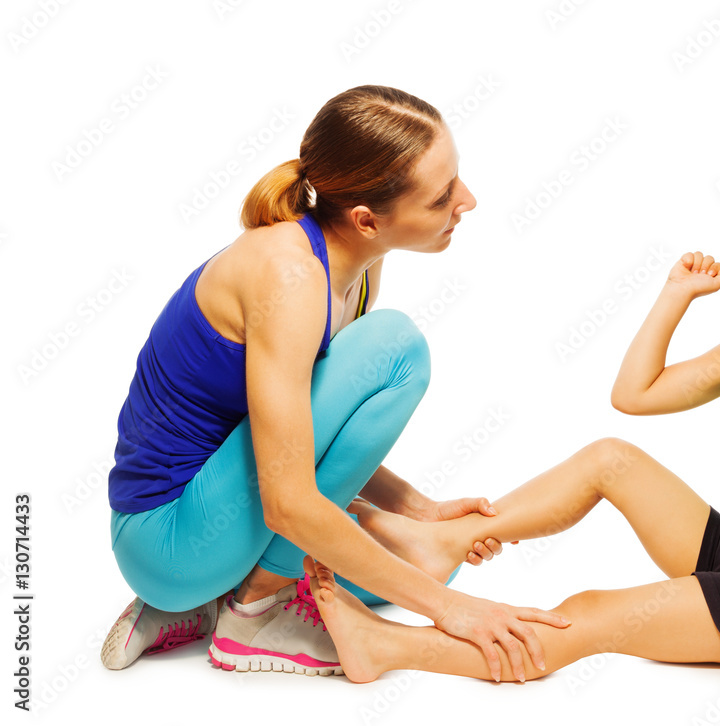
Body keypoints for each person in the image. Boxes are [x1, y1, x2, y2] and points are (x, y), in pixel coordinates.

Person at [305, 48, 720, 682]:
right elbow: (635, 394)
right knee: (608, 458)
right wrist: (673, 297)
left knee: (588, 615)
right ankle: (443, 543)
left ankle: (388, 649)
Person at [100, 85, 569, 680]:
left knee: (429, 562)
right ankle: (250, 612)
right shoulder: (291, 276)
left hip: (218, 516)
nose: (468, 201)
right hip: (166, 541)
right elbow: (288, 498)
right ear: (367, 219)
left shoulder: (358, 266)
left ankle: (203, 605)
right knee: (397, 348)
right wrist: (455, 613)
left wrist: (420, 511)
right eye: (442, 196)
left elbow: (304, 428)